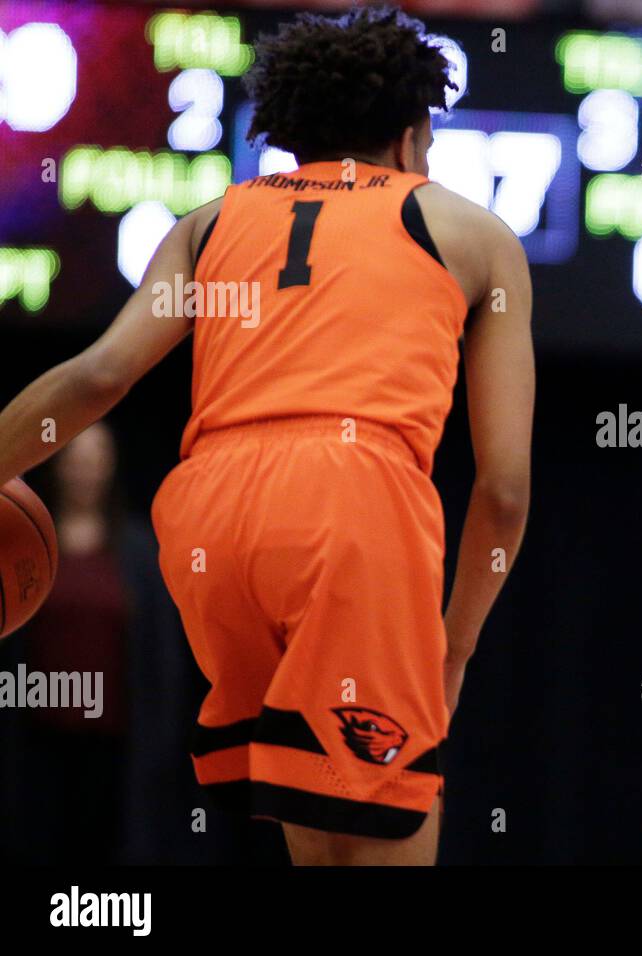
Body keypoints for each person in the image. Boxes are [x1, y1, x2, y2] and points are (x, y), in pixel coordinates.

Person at [0, 7, 534, 865]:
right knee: (385, 843)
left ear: (285, 134)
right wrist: (454, 647)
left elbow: (98, 377)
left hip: (209, 518)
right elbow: (504, 488)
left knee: (316, 845)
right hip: (353, 510)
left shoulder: (207, 224)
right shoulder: (472, 232)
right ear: (414, 135)